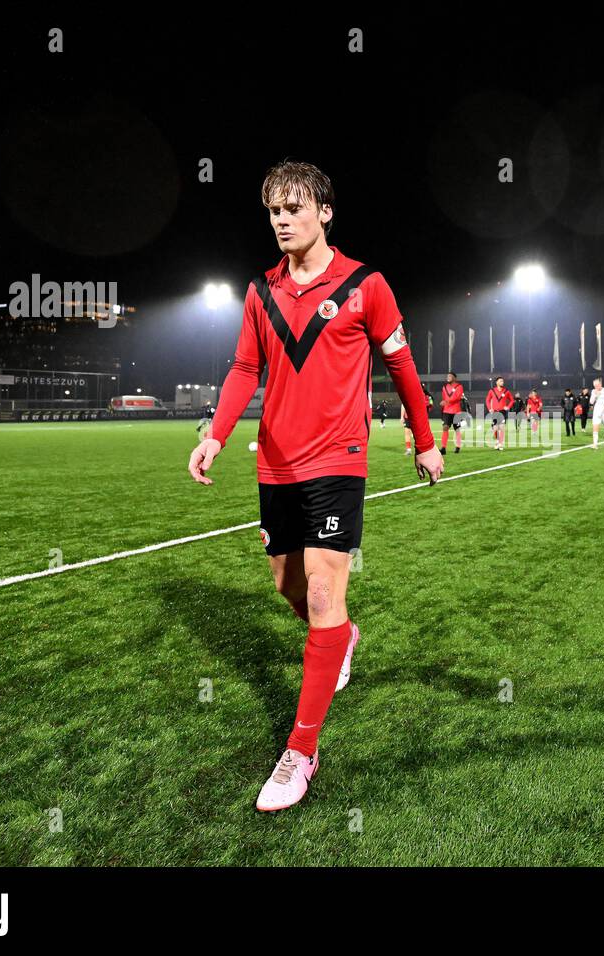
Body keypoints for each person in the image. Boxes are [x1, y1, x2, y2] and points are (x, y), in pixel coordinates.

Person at [187, 160, 443, 812]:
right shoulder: (259, 292)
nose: (281, 220)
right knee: (286, 585)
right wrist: (216, 434)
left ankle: (301, 751)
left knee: (326, 590)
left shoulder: (366, 285)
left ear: (324, 212)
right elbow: (246, 366)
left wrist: (425, 437)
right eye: (273, 210)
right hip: (275, 460)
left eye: (294, 209)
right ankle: (341, 638)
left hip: (339, 458)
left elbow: (402, 366)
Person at [402, 383, 433, 455]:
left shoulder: (427, 396)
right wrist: (402, 416)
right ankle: (409, 449)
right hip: (409, 416)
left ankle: (423, 450)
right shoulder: (411, 394)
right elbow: (404, 404)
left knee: (419, 435)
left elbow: (430, 405)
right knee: (407, 432)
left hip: (419, 417)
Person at [438, 372, 464, 455]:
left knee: (457, 429)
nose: (448, 377)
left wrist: (446, 401)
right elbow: (444, 397)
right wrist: (444, 403)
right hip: (446, 411)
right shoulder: (444, 387)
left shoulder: (459, 386)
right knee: (445, 427)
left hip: (456, 411)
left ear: (455, 378)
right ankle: (443, 448)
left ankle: (458, 446)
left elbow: (458, 397)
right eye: (447, 376)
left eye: (450, 376)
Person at [486, 376, 513, 451]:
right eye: (501, 381)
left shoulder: (506, 391)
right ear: (497, 382)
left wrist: (508, 407)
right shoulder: (492, 391)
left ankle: (500, 444)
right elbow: (487, 400)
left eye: (503, 381)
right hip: (494, 412)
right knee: (495, 428)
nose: (502, 382)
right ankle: (497, 442)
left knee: (501, 428)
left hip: (502, 412)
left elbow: (512, 400)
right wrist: (489, 408)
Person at [589, 377, 604, 449]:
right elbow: (591, 402)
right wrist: (595, 395)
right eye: (594, 386)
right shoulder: (593, 391)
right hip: (597, 412)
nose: (596, 387)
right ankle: (595, 445)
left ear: (600, 384)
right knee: (595, 428)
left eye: (597, 385)